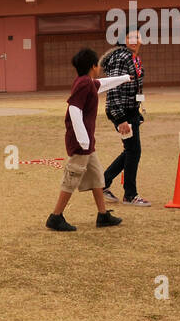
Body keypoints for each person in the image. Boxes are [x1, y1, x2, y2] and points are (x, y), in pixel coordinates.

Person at [46, 49, 131, 232]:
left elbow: (102, 83)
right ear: (93, 66)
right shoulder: (84, 84)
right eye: (98, 64)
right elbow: (74, 110)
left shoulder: (86, 82)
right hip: (81, 143)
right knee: (72, 177)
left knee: (96, 177)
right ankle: (55, 217)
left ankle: (103, 215)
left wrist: (124, 77)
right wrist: (83, 140)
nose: (99, 67)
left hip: (87, 143)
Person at [101, 31, 150, 206]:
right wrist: (120, 118)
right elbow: (113, 87)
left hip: (131, 110)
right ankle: (130, 194)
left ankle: (103, 183)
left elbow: (136, 87)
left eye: (138, 37)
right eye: (130, 37)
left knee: (130, 150)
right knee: (133, 151)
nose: (135, 40)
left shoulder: (134, 58)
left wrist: (138, 112)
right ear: (123, 40)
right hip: (121, 111)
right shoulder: (121, 57)